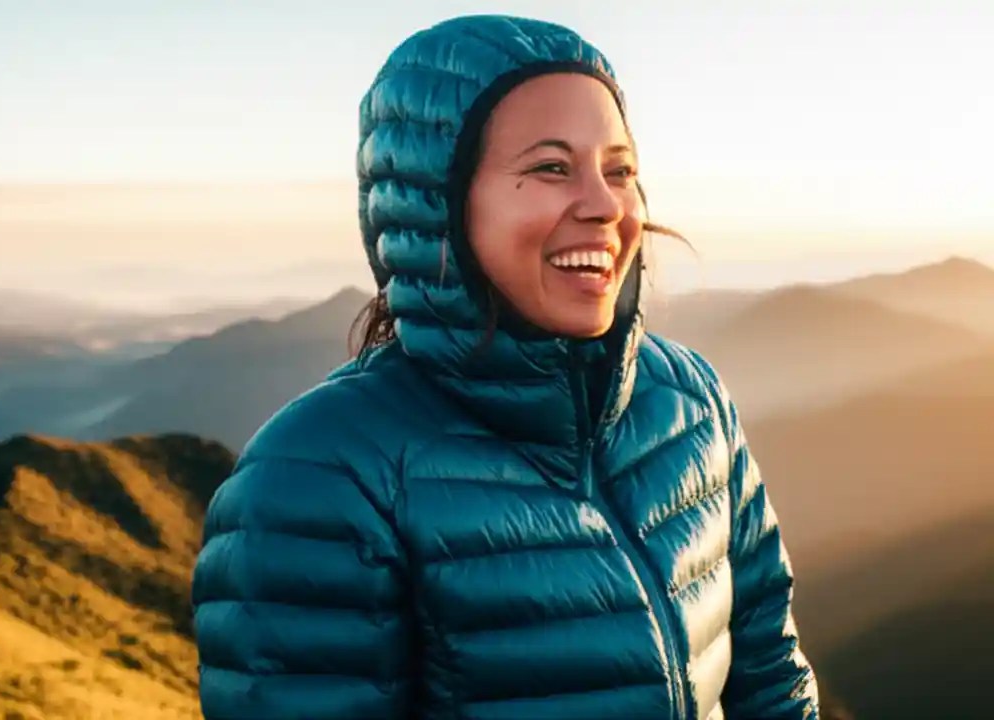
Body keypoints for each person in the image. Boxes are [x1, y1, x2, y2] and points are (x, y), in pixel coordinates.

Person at [192, 13, 819, 720]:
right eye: (552, 168)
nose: (604, 204)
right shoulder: (319, 477)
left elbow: (771, 675)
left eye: (619, 170)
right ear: (437, 203)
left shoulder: (689, 402)